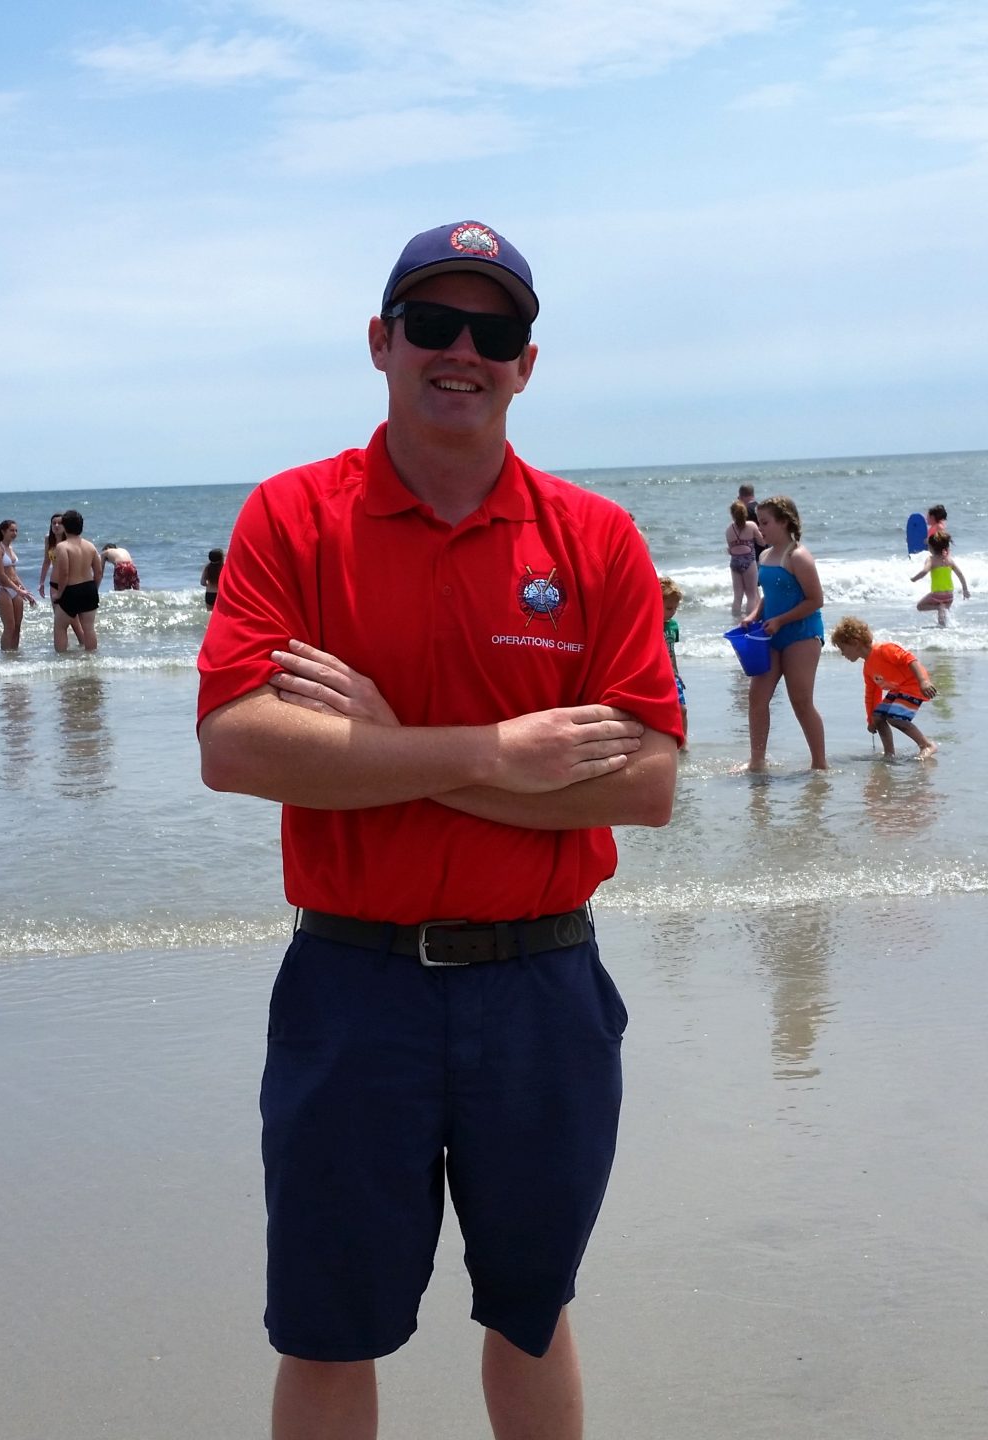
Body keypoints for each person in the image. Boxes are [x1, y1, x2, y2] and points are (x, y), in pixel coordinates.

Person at [196, 220, 679, 1440]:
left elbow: (647, 781)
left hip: (542, 983)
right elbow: (236, 747)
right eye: (432, 323)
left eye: (494, 329)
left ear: (526, 361)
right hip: (353, 984)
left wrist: (379, 749)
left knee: (529, 1311)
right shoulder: (293, 518)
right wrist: (493, 754)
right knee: (324, 1328)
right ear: (381, 342)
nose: (460, 349)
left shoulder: (594, 538)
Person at [740, 495, 827, 771]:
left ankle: (819, 764)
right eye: (758, 522)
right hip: (770, 633)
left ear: (784, 521)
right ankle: (757, 761)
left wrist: (781, 620)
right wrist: (754, 615)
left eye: (765, 523)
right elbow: (769, 595)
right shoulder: (765, 555)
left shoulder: (798, 556)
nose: (760, 528)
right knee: (756, 697)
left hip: (802, 634)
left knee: (801, 701)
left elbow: (815, 600)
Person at [830, 616, 937, 759]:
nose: (842, 654)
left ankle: (926, 744)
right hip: (898, 689)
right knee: (878, 716)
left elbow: (910, 659)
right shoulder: (867, 668)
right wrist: (870, 720)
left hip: (914, 685)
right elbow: (872, 694)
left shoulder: (884, 650)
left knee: (895, 718)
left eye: (843, 649)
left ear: (855, 643)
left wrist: (923, 681)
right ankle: (889, 753)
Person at [48, 510, 101, 652]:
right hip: (89, 588)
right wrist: (94, 587)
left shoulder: (62, 546)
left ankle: (62, 660)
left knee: (60, 627)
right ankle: (91, 659)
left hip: (71, 590)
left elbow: (64, 573)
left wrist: (59, 594)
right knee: (89, 628)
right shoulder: (90, 546)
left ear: (65, 526)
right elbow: (98, 572)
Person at [0, 520, 37, 651]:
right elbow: (2, 575)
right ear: (3, 531)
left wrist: (25, 591)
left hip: (15, 589)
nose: (14, 533)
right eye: (11, 530)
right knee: (9, 627)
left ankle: (14, 655)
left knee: (17, 626)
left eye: (16, 530)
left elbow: (14, 574)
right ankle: (5, 657)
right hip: (1, 589)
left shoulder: (10, 548)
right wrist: (18, 591)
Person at [913, 533, 969, 626]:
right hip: (949, 596)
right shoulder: (949, 560)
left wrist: (914, 579)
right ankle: (943, 629)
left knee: (920, 606)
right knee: (943, 613)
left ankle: (939, 607)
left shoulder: (931, 559)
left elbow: (924, 571)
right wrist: (965, 590)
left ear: (931, 548)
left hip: (937, 595)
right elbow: (960, 574)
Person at [661, 576, 689, 742]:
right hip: (659, 672)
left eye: (675, 608)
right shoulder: (652, 624)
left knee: (682, 709)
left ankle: (684, 741)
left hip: (672, 673)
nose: (672, 612)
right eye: (669, 608)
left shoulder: (673, 626)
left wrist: (677, 672)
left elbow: (672, 651)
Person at [723, 500, 761, 617]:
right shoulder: (752, 526)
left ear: (732, 514)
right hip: (749, 561)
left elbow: (730, 549)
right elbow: (762, 541)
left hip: (735, 563)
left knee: (738, 596)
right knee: (751, 594)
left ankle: (736, 620)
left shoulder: (729, 530)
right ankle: (751, 619)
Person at [201, 548, 225, 612]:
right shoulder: (223, 567)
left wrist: (209, 585)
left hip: (209, 594)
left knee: (210, 614)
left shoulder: (207, 567)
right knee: (221, 614)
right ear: (221, 558)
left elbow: (202, 582)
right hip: (220, 594)